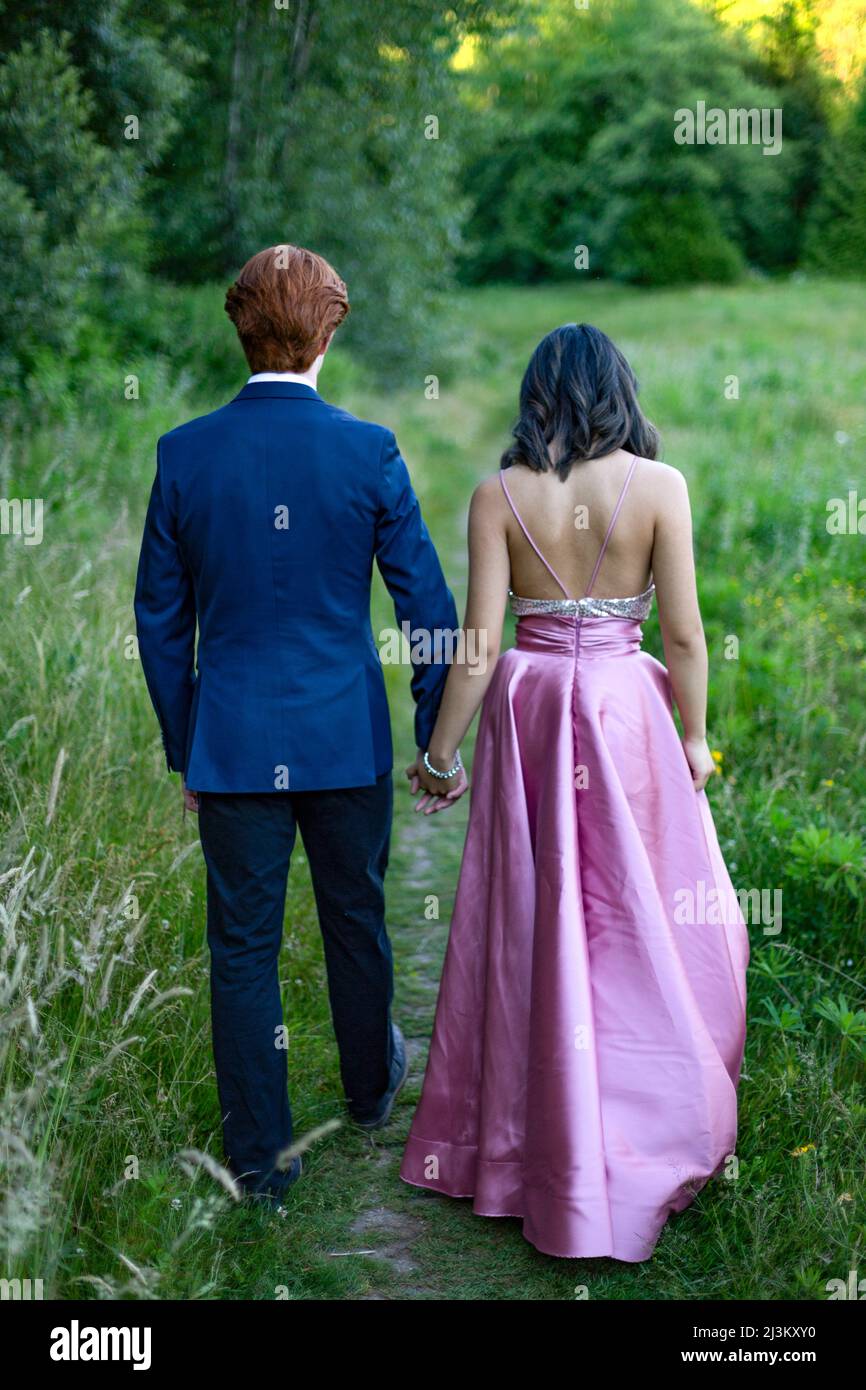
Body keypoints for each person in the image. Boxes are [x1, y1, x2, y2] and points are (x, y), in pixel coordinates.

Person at [401, 323, 749, 1261]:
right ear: (620, 390)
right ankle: (636, 1123)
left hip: (535, 709)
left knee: (534, 919)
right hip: (625, 714)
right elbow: (683, 639)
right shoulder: (660, 487)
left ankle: (525, 1150)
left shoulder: (497, 495)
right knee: (631, 920)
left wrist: (439, 754)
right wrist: (697, 740)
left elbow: (476, 648)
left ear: (535, 398)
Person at [134, 244, 457, 1202]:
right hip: (345, 740)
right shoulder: (370, 451)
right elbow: (430, 616)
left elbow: (159, 623)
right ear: (331, 328)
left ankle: (261, 1168)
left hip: (231, 744)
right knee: (356, 914)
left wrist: (185, 743)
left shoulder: (184, 453)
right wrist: (432, 740)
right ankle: (367, 1091)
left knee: (241, 947)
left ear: (240, 326)